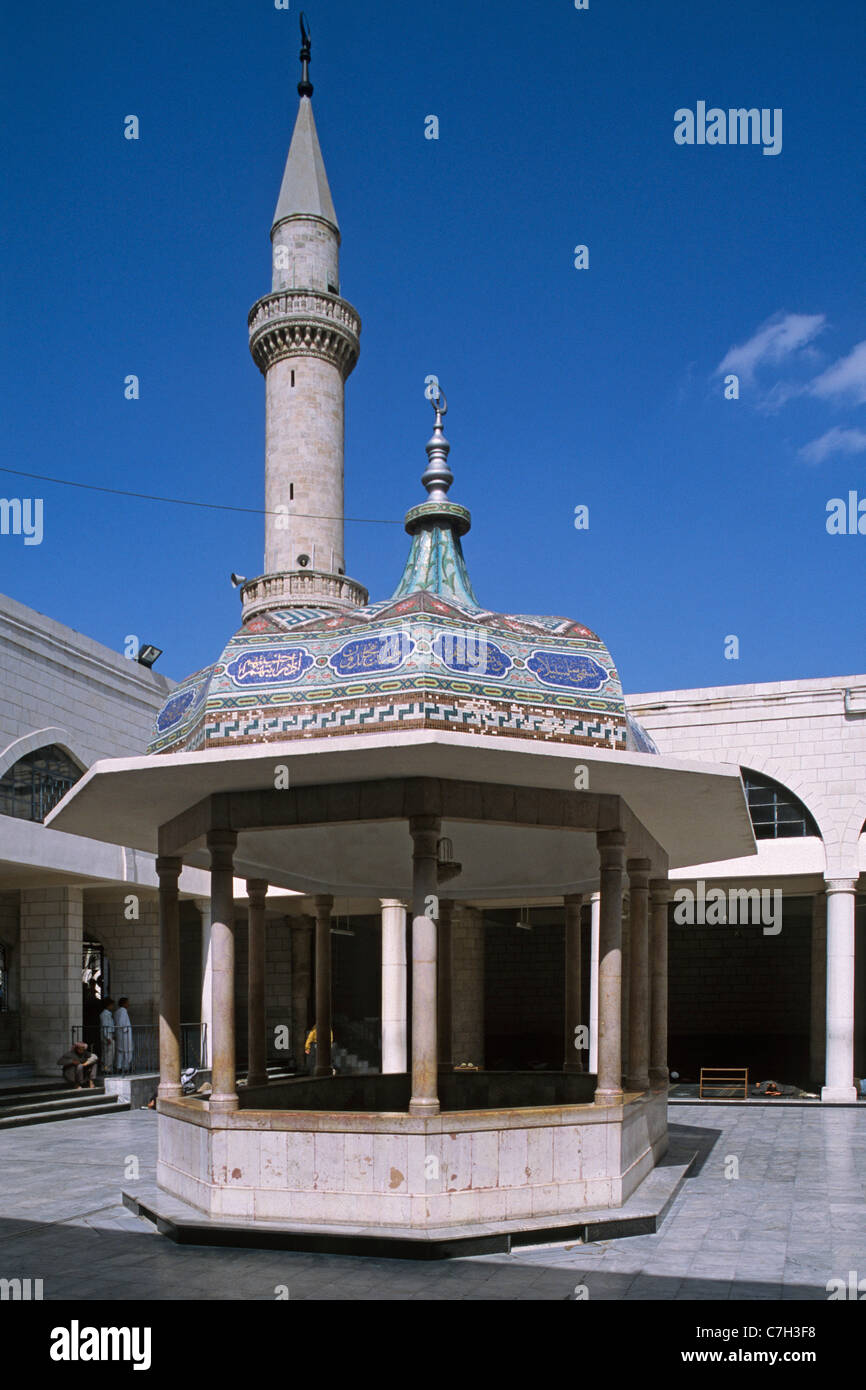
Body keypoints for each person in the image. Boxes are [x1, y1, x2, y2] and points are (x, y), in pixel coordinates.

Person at [114, 996, 133, 1074]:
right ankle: (125, 1067)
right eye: (127, 1002)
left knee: (120, 1051)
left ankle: (119, 1066)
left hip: (119, 1034)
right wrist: (126, 1030)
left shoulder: (117, 1011)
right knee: (127, 1051)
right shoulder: (123, 1011)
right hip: (125, 1034)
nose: (129, 1004)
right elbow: (122, 1023)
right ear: (124, 1003)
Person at [98, 997, 116, 1074]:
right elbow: (105, 1026)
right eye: (112, 1005)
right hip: (107, 1035)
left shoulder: (107, 1014)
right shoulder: (105, 1014)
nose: (112, 1007)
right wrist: (107, 1037)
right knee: (109, 1053)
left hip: (109, 1034)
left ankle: (105, 1067)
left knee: (107, 1053)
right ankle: (107, 1068)